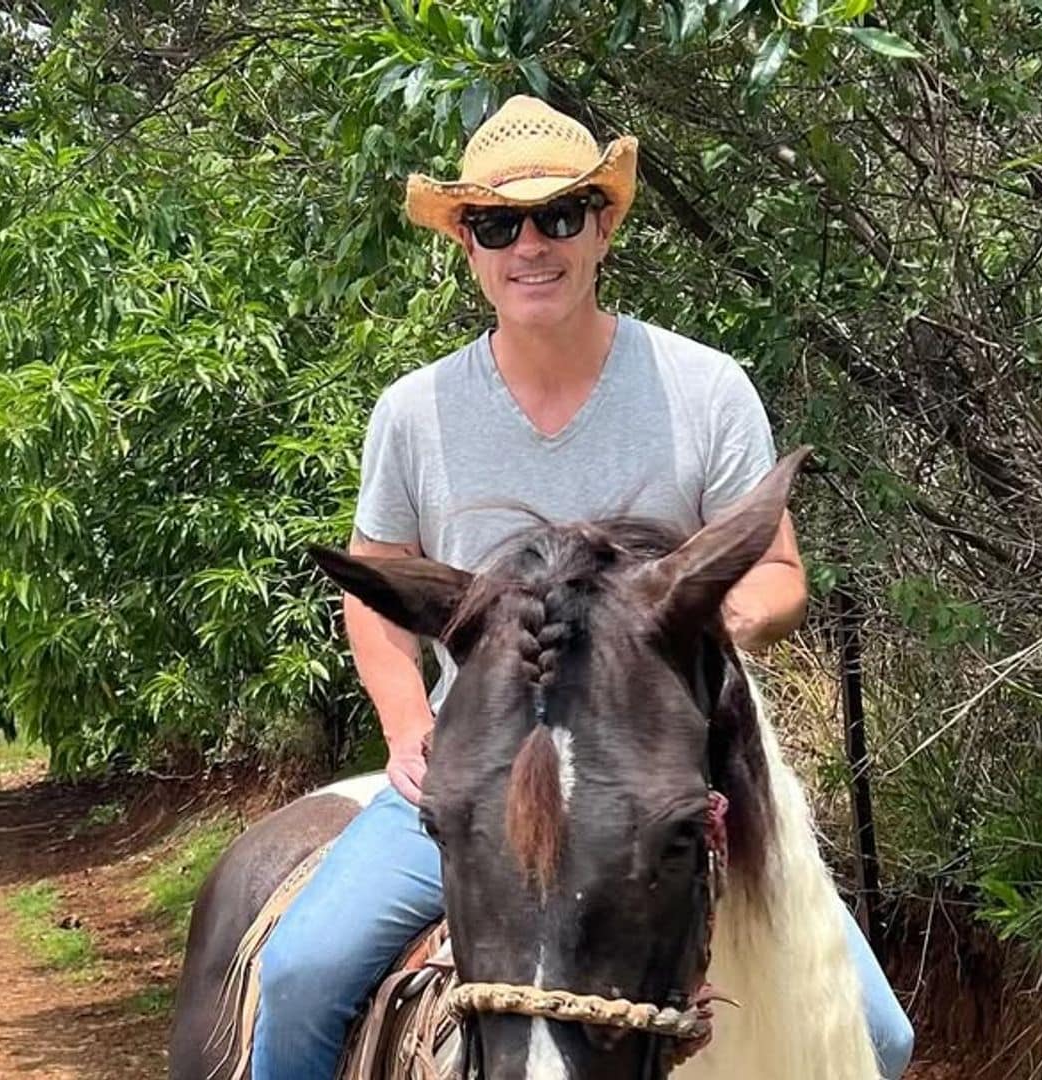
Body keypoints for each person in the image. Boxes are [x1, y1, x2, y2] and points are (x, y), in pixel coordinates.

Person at [248, 95, 915, 1078]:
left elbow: (777, 573)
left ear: (604, 224)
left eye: (560, 215)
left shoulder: (703, 388)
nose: (531, 245)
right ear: (468, 246)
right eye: (497, 223)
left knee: (880, 1039)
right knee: (304, 972)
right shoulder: (415, 413)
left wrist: (674, 626)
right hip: (478, 770)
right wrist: (405, 731)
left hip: (666, 778)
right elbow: (375, 588)